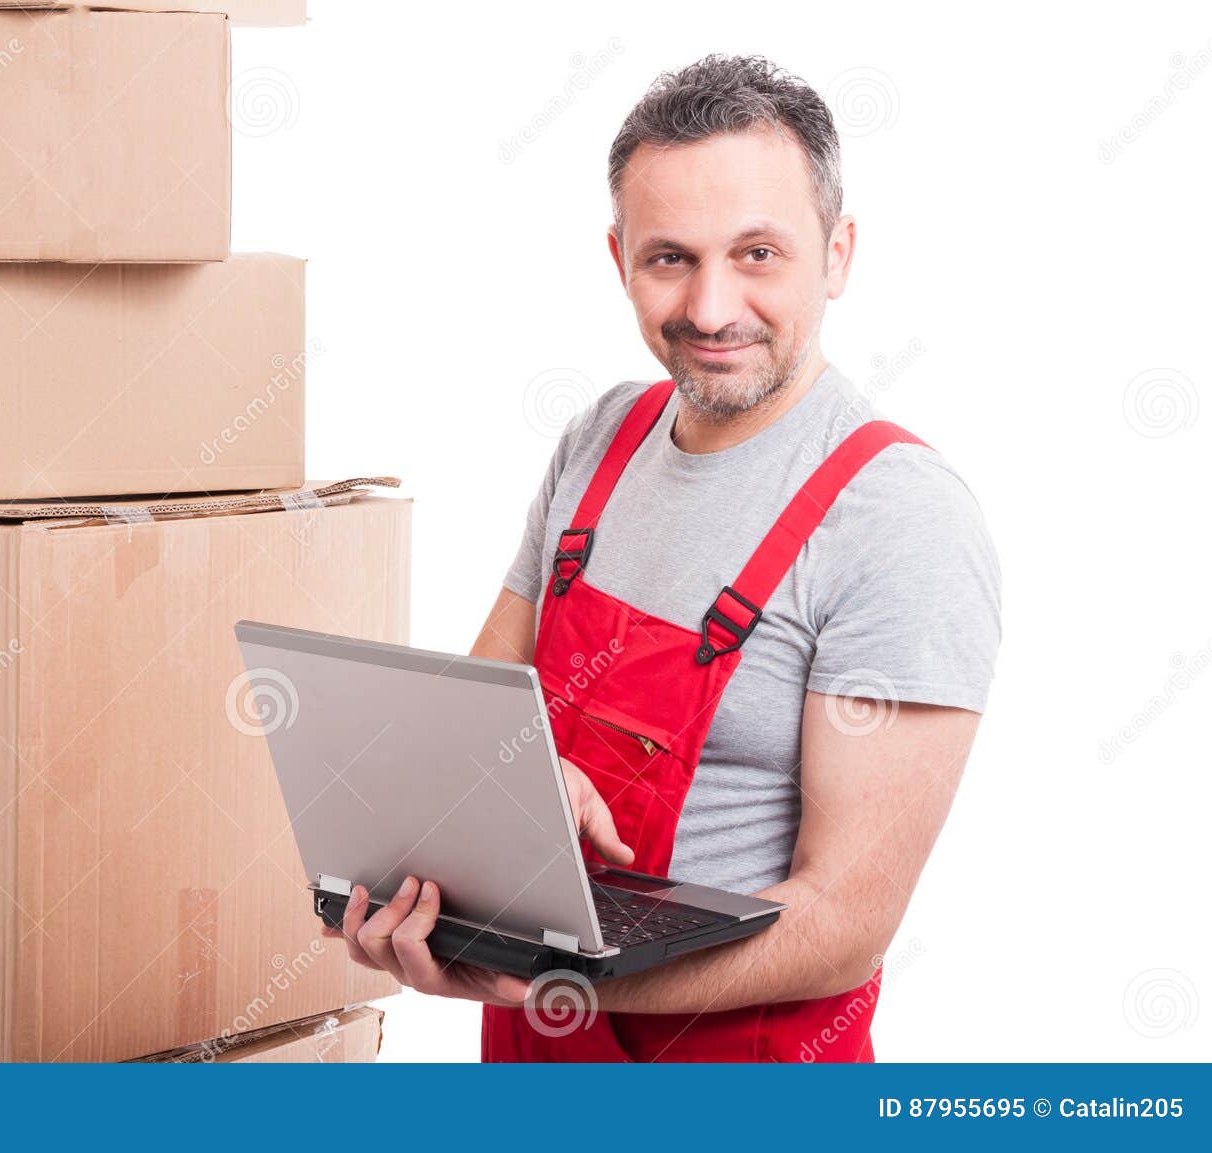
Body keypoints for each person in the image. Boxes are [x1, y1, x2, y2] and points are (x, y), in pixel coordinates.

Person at [325, 54, 1002, 1062]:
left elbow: (845, 922)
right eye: (670, 258)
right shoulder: (600, 440)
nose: (712, 308)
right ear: (618, 260)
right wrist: (456, 870)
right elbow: (468, 736)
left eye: (759, 254)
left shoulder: (897, 516)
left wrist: (565, 975)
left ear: (839, 253)